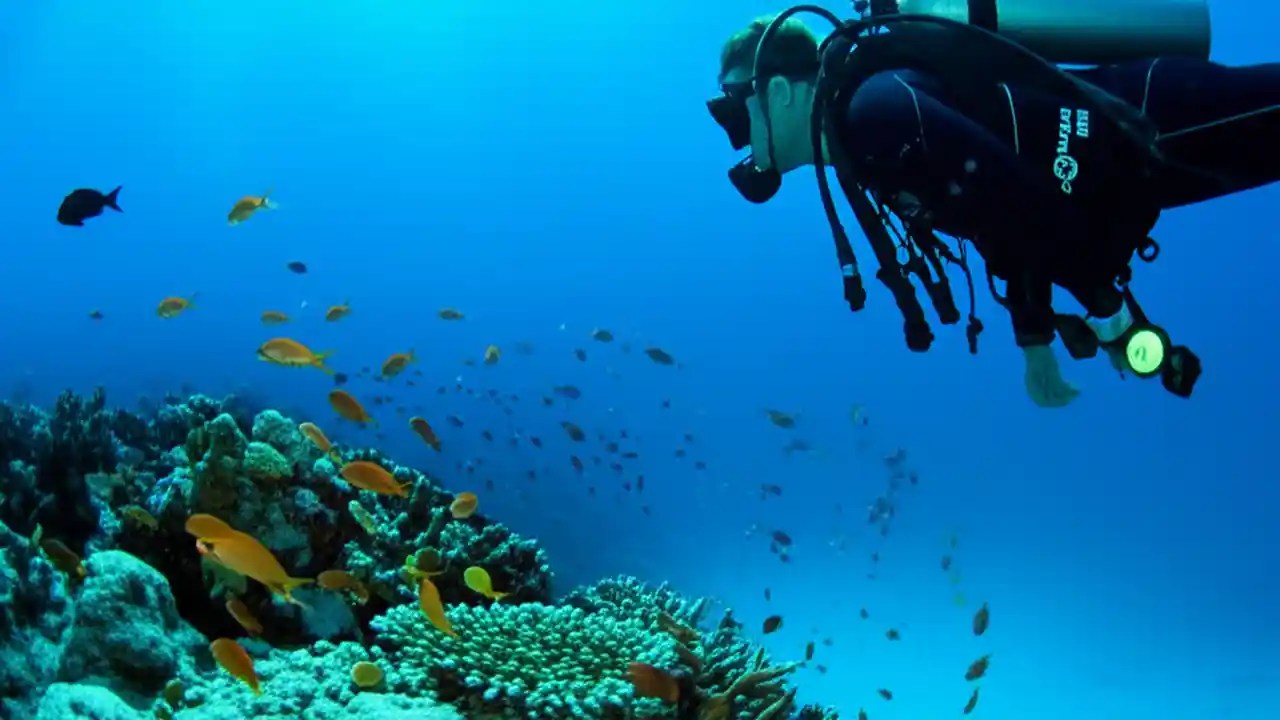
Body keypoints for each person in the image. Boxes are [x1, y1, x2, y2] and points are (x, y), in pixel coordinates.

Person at [707, 2, 1279, 406]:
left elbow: (1023, 200)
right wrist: (1037, 339)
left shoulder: (874, 114)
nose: (737, 135)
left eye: (736, 111)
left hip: (1149, 120)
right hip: (1135, 163)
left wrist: (1112, 322)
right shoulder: (865, 141)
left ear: (777, 90)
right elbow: (999, 216)